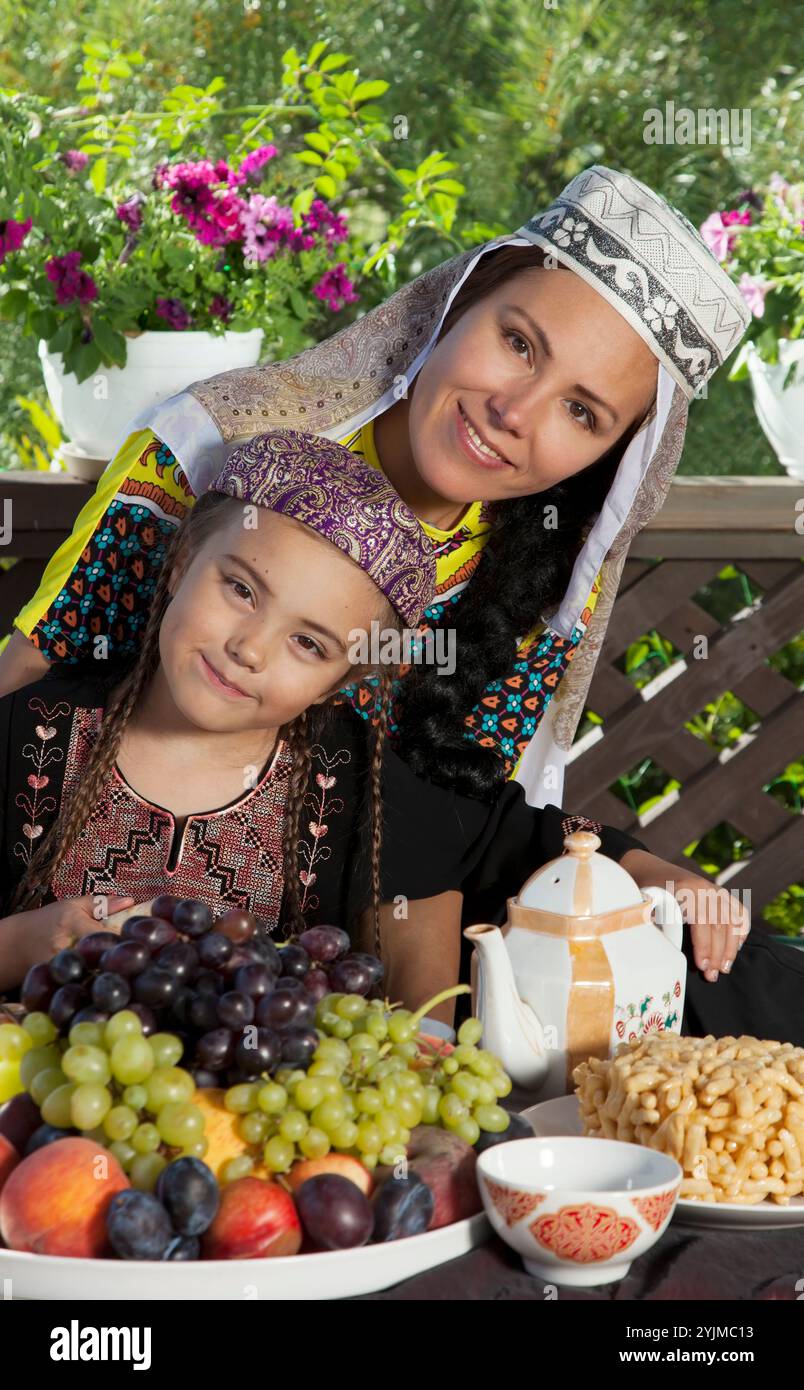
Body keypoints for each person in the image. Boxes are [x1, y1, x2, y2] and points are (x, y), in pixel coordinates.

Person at [3, 163, 799, 1041]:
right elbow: (47, 655)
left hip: (400, 930)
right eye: (520, 343)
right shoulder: (222, 443)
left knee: (741, 980)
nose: (513, 411)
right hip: (137, 898)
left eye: (582, 411)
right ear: (458, 303)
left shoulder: (541, 577)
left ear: (611, 456)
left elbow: (471, 816)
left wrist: (647, 870)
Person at [0, 429, 651, 1027]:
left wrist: (660, 872)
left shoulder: (356, 785)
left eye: (309, 644)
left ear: (344, 680)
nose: (249, 649)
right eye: (241, 590)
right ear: (183, 560)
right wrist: (21, 944)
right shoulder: (21, 734)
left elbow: (518, 834)